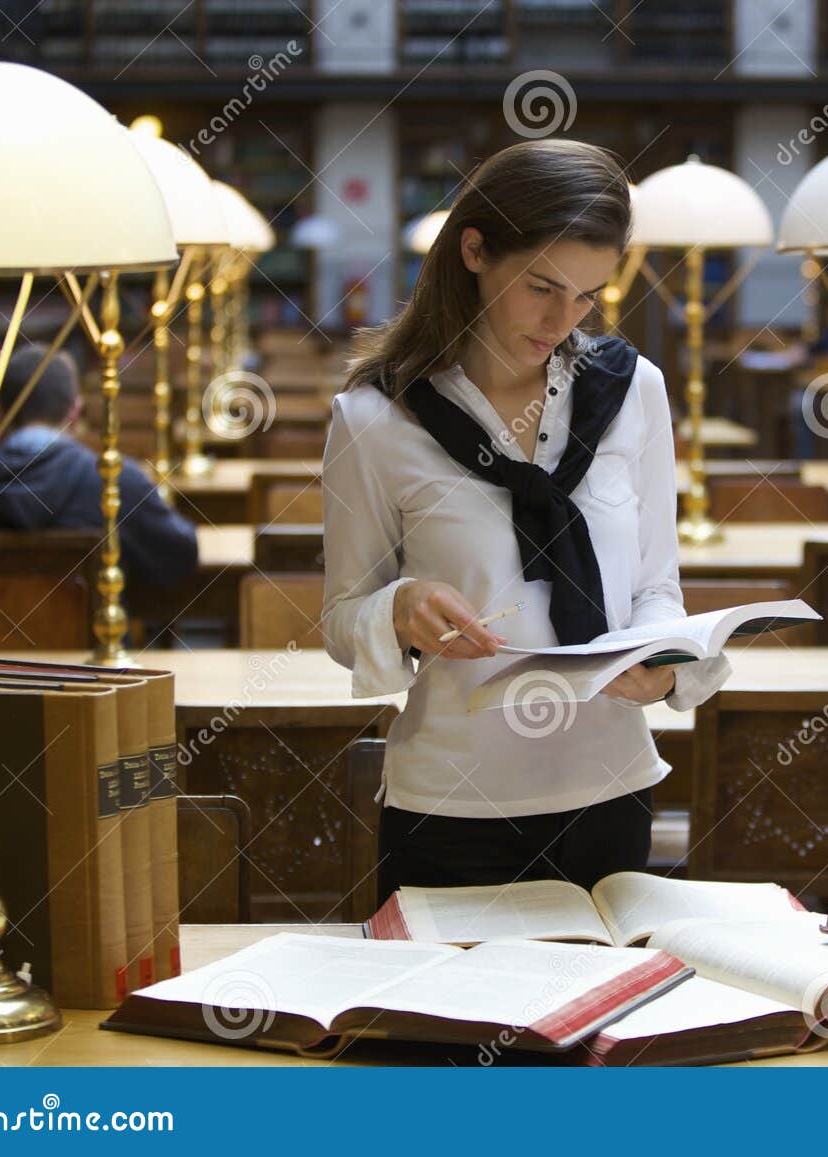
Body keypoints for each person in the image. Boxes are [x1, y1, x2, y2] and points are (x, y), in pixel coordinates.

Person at [323, 139, 731, 897]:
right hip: (450, 804)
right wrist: (399, 607)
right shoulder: (375, 418)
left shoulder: (632, 390)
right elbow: (343, 617)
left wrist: (665, 662)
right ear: (474, 250)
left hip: (611, 792)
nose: (560, 318)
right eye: (542, 286)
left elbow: (655, 588)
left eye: (586, 296)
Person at [0, 344, 199, 587]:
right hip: (95, 629)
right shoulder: (116, 484)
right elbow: (181, 554)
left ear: (0, 412)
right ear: (75, 411)